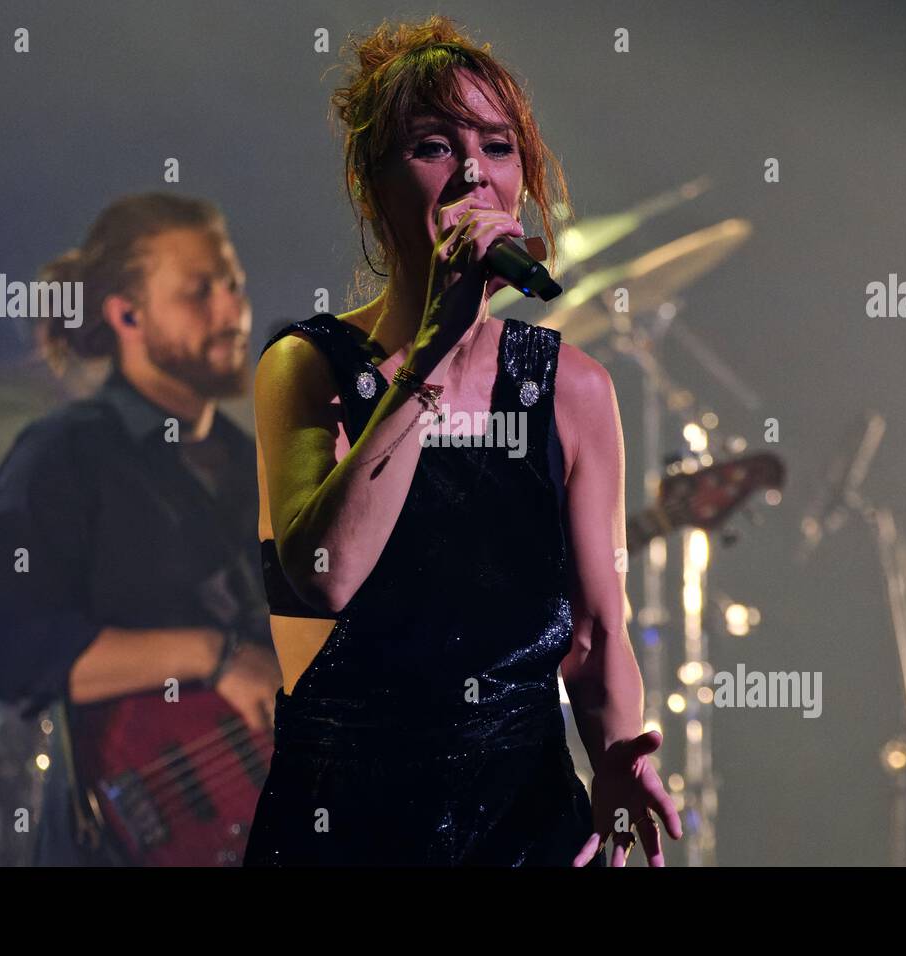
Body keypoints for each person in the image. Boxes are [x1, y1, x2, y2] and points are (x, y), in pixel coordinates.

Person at [244, 16, 681, 867]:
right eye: (435, 146)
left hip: (524, 826)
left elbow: (595, 636)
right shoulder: (310, 366)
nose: (474, 172)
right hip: (344, 824)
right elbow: (325, 577)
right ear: (375, 185)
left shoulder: (573, 389)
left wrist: (619, 760)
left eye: (498, 145)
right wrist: (435, 351)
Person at [0, 193, 283, 865]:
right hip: (121, 837)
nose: (233, 312)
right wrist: (215, 656)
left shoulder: (257, 469)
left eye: (234, 286)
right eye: (201, 292)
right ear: (126, 314)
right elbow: (4, 649)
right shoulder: (63, 455)